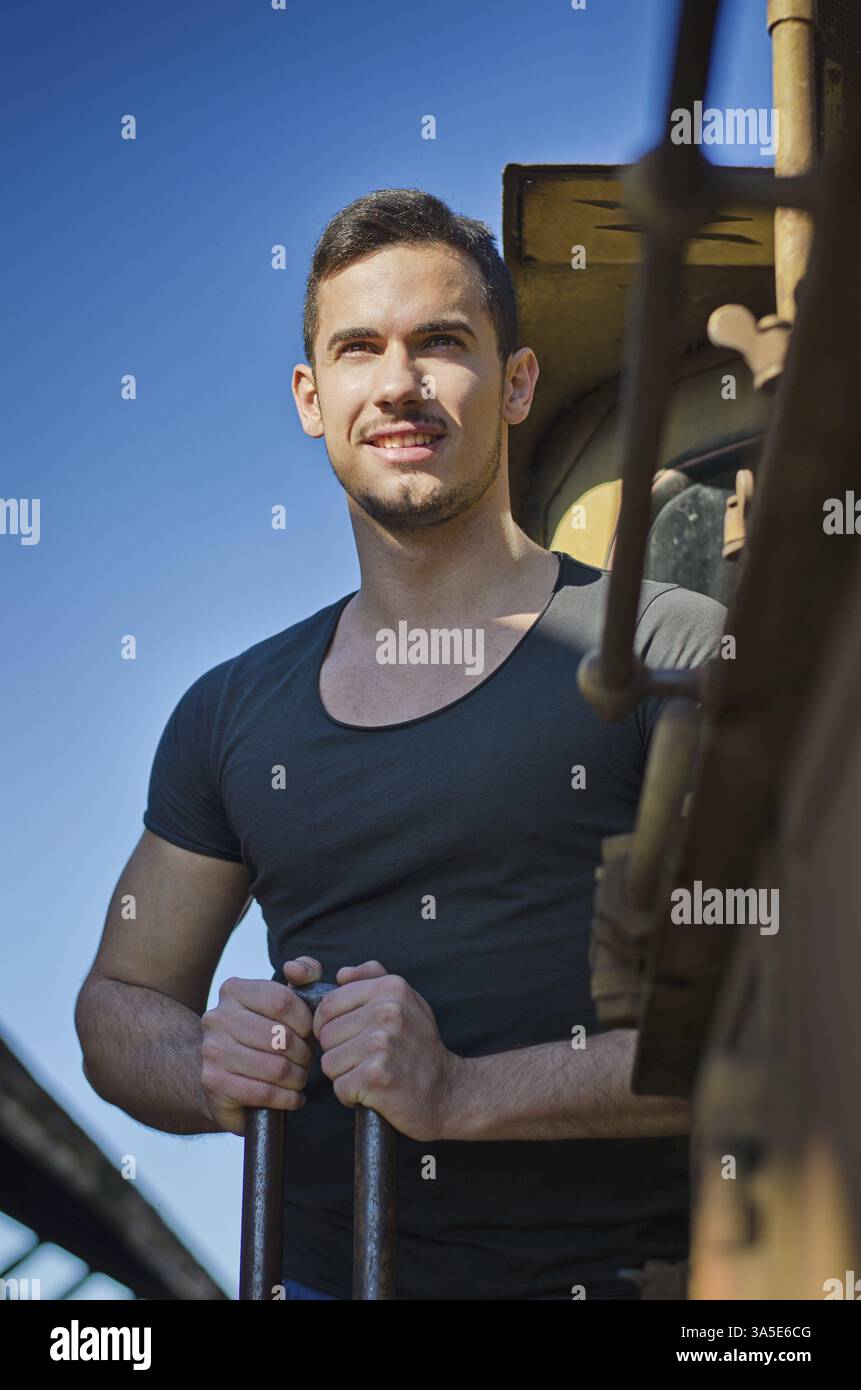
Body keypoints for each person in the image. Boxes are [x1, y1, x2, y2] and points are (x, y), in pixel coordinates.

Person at [75, 187, 725, 1301]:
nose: (397, 385)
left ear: (516, 383)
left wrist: (462, 1089)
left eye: (441, 344)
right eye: (358, 349)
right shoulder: (233, 712)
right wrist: (206, 1065)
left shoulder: (670, 648)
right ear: (310, 397)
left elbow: (774, 1023)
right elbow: (117, 1002)